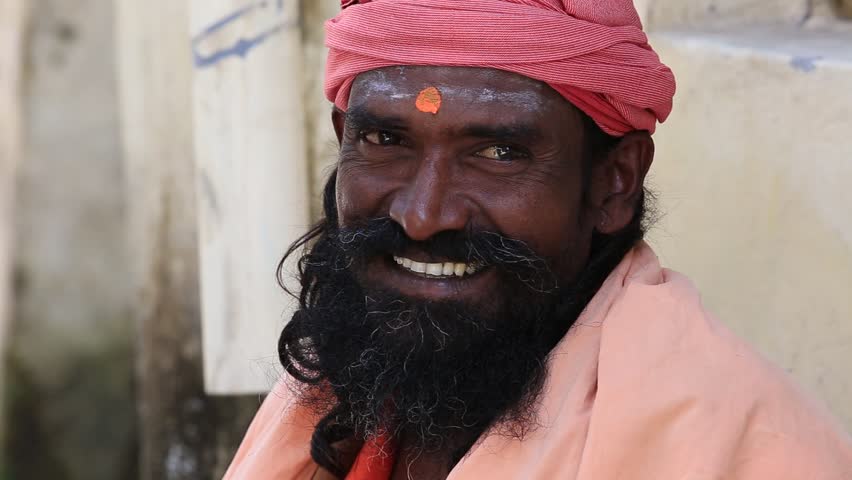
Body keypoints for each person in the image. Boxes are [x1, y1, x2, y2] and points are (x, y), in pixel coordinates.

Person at [225, 1, 852, 478]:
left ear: (614, 182)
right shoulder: (350, 382)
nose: (423, 218)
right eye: (385, 142)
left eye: (499, 153)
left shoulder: (743, 444)